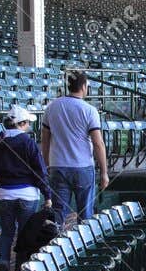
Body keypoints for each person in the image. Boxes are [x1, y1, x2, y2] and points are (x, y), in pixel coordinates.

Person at [0, 105, 52, 271]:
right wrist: (48, 195)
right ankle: (21, 269)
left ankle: (2, 261)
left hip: (5, 193)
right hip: (27, 194)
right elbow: (39, 171)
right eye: (27, 122)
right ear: (21, 123)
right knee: (24, 234)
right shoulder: (28, 142)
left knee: (6, 232)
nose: (29, 125)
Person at [41, 69, 108, 227]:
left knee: (57, 214)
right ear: (84, 86)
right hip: (83, 167)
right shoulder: (89, 110)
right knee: (85, 215)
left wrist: (47, 164)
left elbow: (44, 140)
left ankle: (55, 247)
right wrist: (104, 172)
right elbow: (98, 143)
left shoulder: (51, 107)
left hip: (58, 166)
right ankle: (83, 249)